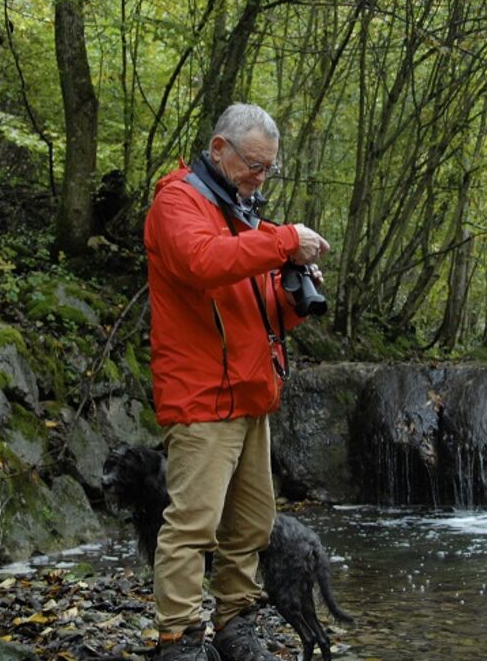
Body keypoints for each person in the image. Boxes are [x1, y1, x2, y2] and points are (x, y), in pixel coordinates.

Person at [144, 103, 330, 661]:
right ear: (219, 148)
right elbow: (203, 263)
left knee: (251, 526)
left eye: (269, 168)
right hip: (201, 395)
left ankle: (235, 626)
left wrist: (294, 295)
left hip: (251, 393)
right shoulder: (177, 201)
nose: (260, 177)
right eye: (254, 164)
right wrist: (282, 242)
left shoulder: (243, 211)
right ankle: (178, 638)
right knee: (192, 526)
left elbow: (260, 311)